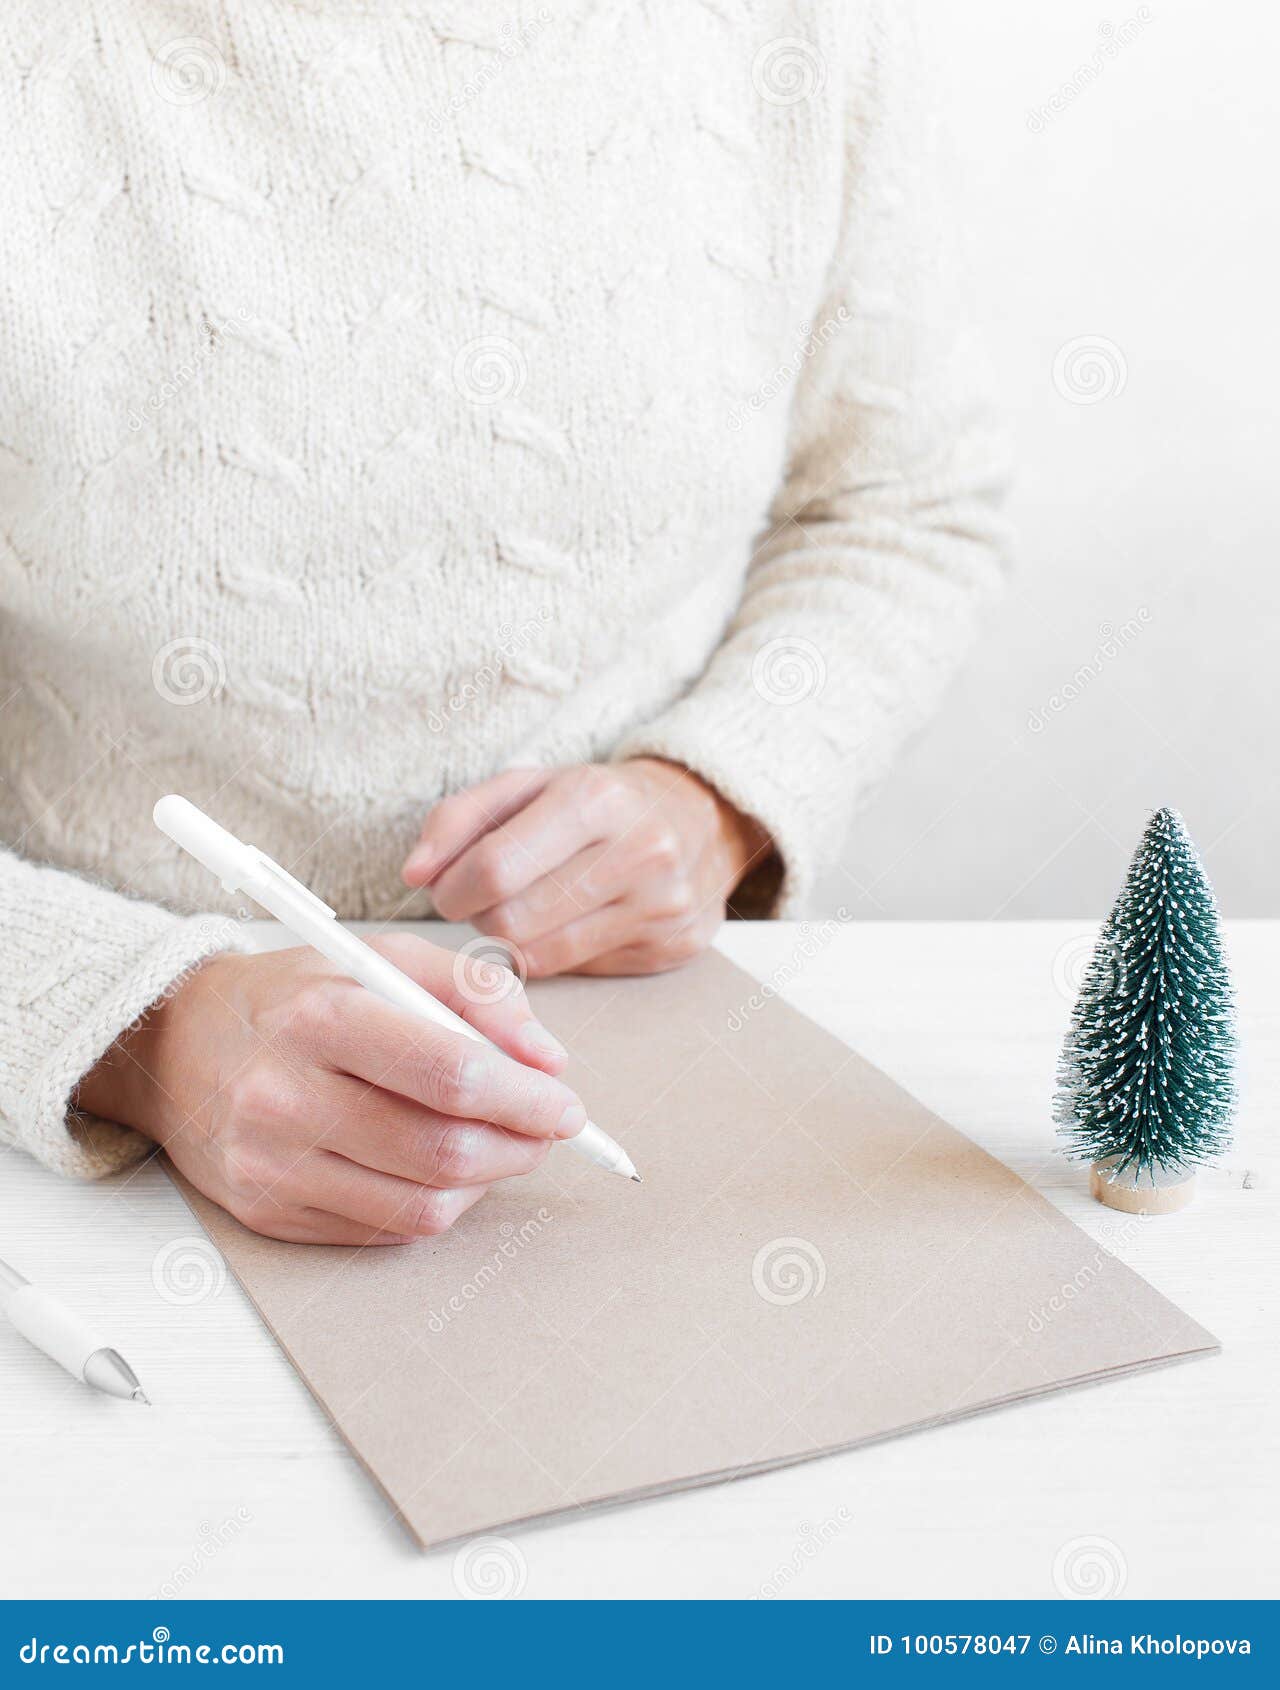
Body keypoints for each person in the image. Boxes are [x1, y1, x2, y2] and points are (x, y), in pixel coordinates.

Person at [0, 2, 1009, 1243]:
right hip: (83, 1149)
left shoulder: (803, 33)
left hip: (636, 1041)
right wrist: (141, 1031)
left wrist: (713, 797)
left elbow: (901, 501)